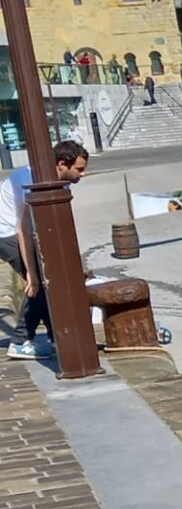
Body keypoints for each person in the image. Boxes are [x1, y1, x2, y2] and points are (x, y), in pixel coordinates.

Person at [1, 140, 89, 361]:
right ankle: (20, 341)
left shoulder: (57, 179)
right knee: (40, 282)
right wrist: (31, 271)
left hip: (19, 229)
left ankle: (55, 337)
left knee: (50, 279)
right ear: (61, 164)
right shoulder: (32, 180)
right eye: (79, 169)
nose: (83, 174)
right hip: (6, 231)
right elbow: (23, 229)